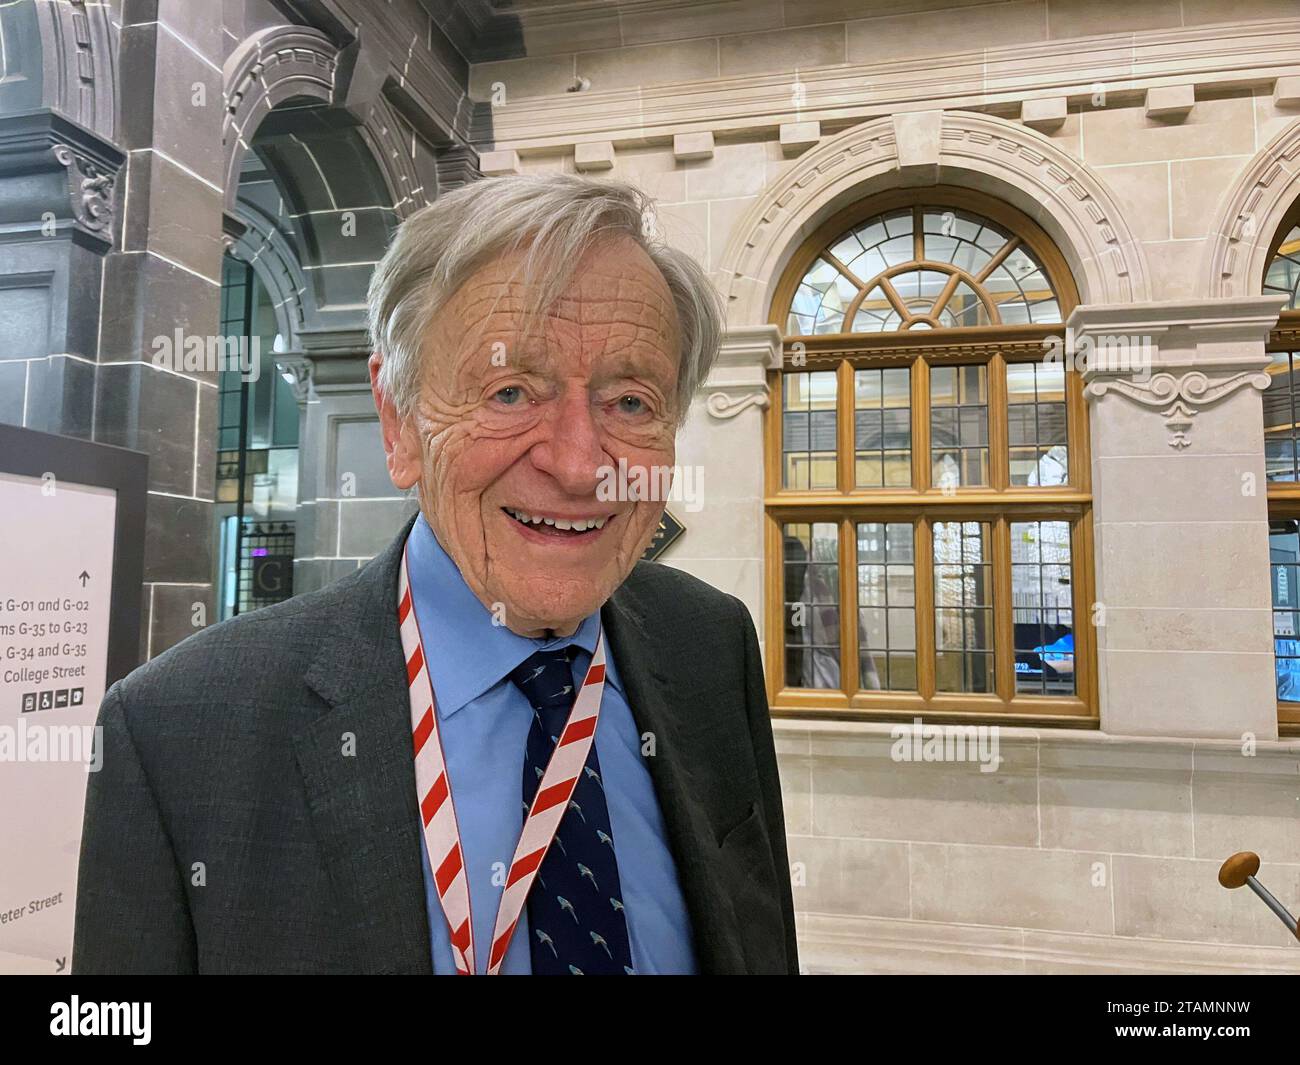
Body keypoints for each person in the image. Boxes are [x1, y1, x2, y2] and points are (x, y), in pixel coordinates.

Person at [72, 172, 798, 975]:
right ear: (399, 421)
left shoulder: (711, 646)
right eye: (510, 392)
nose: (579, 464)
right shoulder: (178, 733)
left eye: (630, 402)